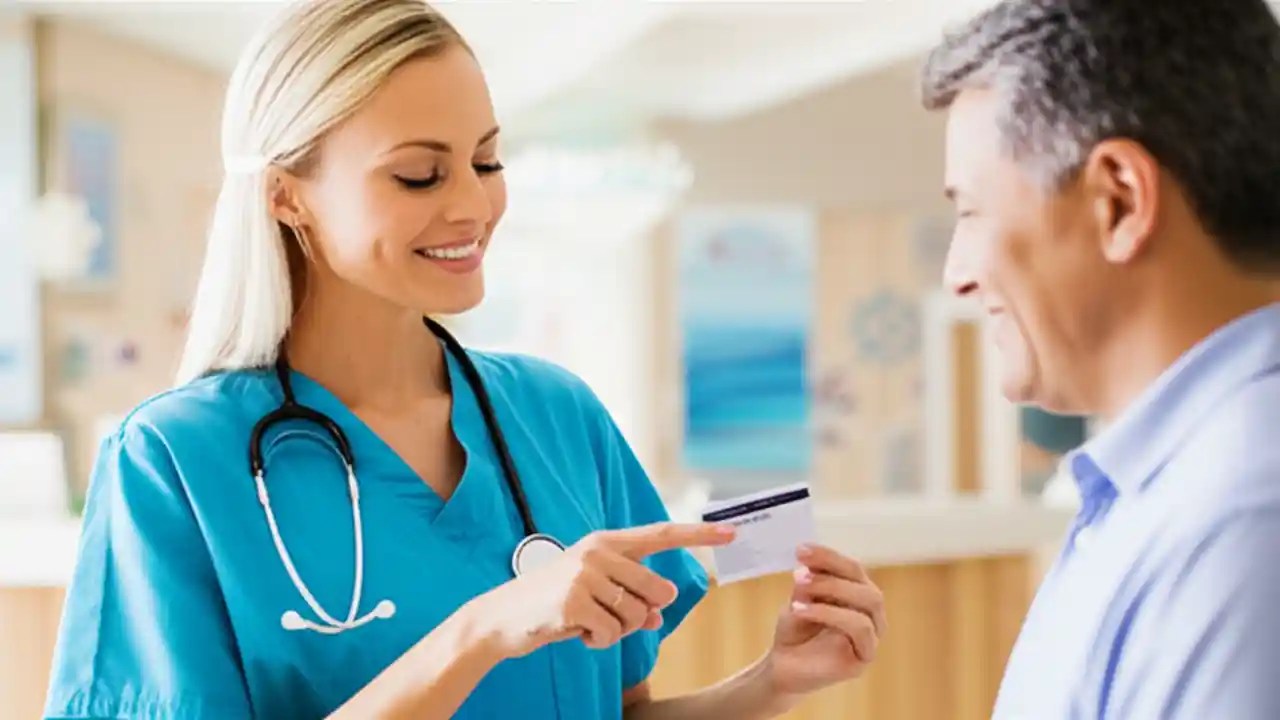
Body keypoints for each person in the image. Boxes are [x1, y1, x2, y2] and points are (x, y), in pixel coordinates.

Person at [42, 1, 887, 718]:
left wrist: (768, 684)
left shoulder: (557, 417)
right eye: (418, 175)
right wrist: (485, 629)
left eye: (487, 160)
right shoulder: (174, 463)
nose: (473, 205)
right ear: (285, 193)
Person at [921, 0, 1280, 718]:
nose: (955, 275)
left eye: (970, 212)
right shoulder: (1161, 495)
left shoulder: (1240, 524)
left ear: (1118, 200)